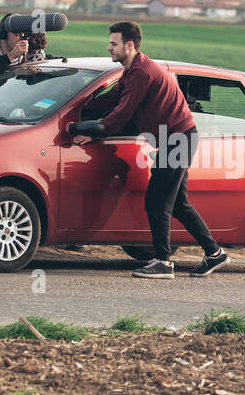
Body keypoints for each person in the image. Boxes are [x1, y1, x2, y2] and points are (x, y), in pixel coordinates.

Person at [66, 22, 227, 279]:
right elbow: (113, 99)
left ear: (129, 45)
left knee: (157, 202)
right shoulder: (132, 71)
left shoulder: (141, 72)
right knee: (177, 204)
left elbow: (121, 114)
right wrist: (78, 103)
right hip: (175, 138)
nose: (108, 47)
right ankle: (215, 253)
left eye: (113, 43)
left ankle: (163, 262)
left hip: (177, 139)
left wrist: (77, 127)